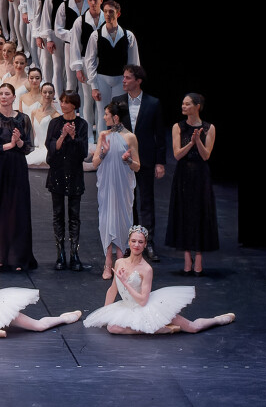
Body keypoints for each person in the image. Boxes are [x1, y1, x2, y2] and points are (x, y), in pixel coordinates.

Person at [84, 226, 233, 334]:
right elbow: (113, 289)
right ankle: (156, 328)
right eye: (134, 241)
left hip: (146, 306)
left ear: (145, 244)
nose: (136, 245)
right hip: (128, 307)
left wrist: (125, 283)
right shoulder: (120, 262)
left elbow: (142, 301)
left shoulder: (146, 269)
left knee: (192, 328)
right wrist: (105, 312)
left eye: (140, 242)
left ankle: (219, 320)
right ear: (128, 242)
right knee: (112, 328)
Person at [0, 82, 37, 272]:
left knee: (15, 211)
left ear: (13, 97)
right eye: (1, 93)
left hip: (16, 168)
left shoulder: (23, 119)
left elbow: (28, 147)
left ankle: (16, 257)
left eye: (7, 94)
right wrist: (10, 145)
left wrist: (19, 141)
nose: (3, 97)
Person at [118, 63, 167, 262]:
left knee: (146, 202)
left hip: (145, 160)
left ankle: (149, 242)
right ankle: (132, 243)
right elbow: (113, 131)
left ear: (138, 81)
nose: (124, 80)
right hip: (124, 161)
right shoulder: (118, 102)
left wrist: (160, 162)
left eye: (128, 78)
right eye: (124, 77)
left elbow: (159, 135)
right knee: (129, 203)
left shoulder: (153, 103)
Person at [166, 93, 218, 276]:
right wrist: (191, 143)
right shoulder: (178, 127)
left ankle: (199, 257)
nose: (183, 107)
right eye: (183, 104)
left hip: (201, 176)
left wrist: (198, 141)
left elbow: (206, 156)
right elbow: (177, 154)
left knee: (200, 213)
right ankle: (187, 257)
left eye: (187, 104)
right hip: (183, 175)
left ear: (197, 106)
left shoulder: (209, 128)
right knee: (185, 214)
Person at [91, 97, 140, 280]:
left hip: (123, 185)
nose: (104, 118)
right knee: (106, 221)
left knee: (122, 220)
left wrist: (128, 160)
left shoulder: (130, 137)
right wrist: (103, 151)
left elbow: (137, 166)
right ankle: (108, 263)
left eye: (106, 114)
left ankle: (121, 262)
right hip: (107, 185)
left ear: (116, 118)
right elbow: (95, 162)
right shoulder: (103, 135)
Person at [45, 91, 89, 271]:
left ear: (74, 105)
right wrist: (63, 135)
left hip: (75, 174)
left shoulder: (82, 124)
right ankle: (60, 254)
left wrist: (73, 136)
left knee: (74, 216)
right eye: (62, 101)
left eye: (67, 102)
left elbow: (83, 152)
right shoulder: (54, 123)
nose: (63, 105)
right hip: (57, 173)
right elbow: (50, 150)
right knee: (58, 215)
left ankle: (74, 254)